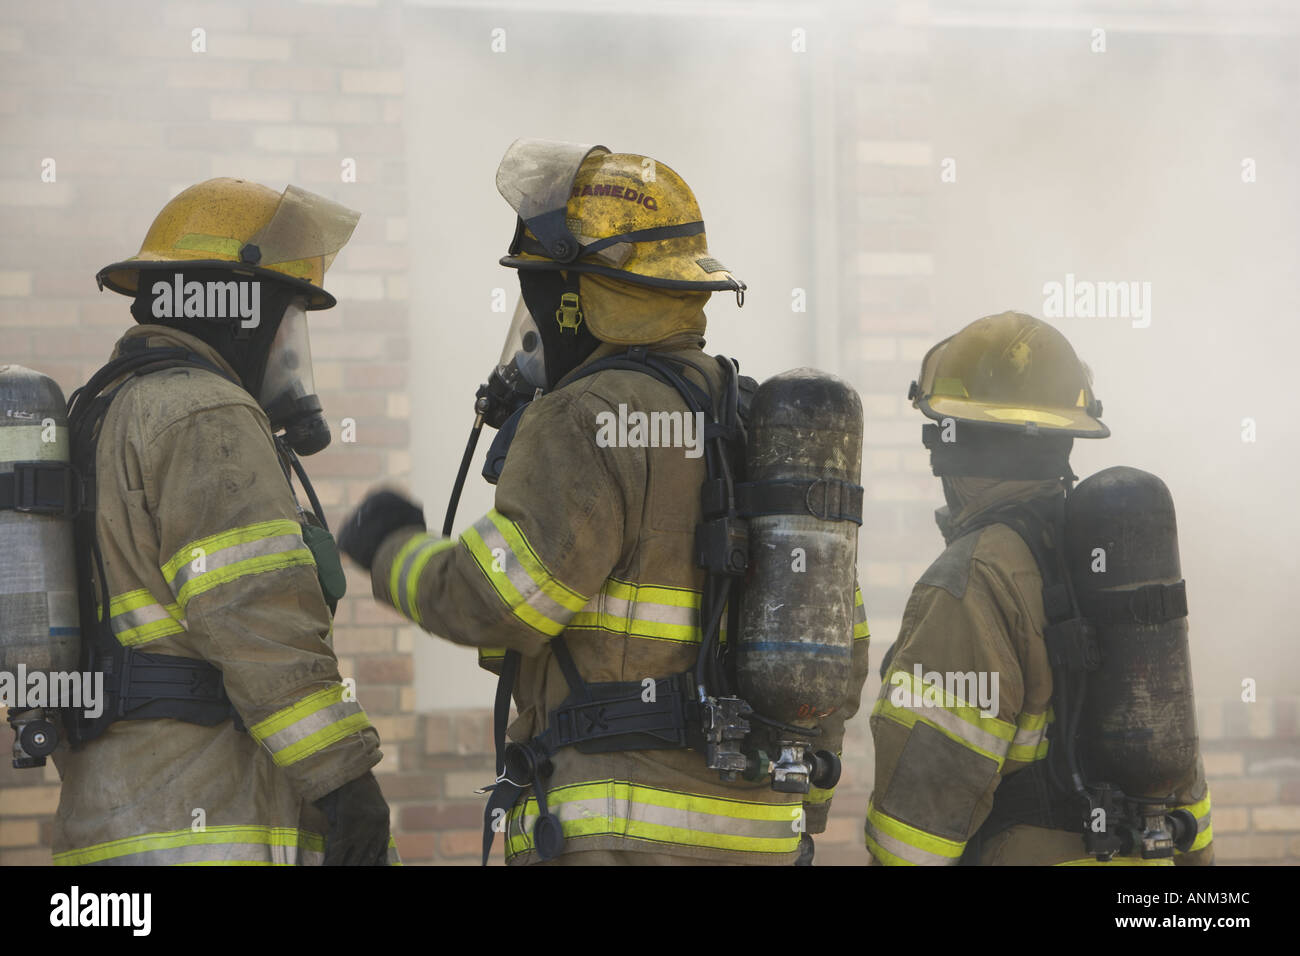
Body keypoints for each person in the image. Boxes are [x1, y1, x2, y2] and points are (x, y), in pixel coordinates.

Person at [338, 140, 871, 865]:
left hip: (619, 835)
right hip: (761, 838)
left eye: (536, 290)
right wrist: (799, 811)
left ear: (575, 294)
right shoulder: (757, 422)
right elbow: (838, 638)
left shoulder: (587, 413)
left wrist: (392, 548)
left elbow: (502, 600)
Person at [50, 177, 397, 866]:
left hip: (112, 837)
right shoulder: (207, 413)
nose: (289, 349)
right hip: (210, 834)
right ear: (240, 308)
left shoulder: (105, 410)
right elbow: (257, 621)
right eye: (286, 319)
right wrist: (345, 781)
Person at [866, 311, 1213, 866]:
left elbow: (921, 814)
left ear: (951, 447)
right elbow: (1184, 784)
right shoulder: (1116, 553)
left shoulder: (970, 578)